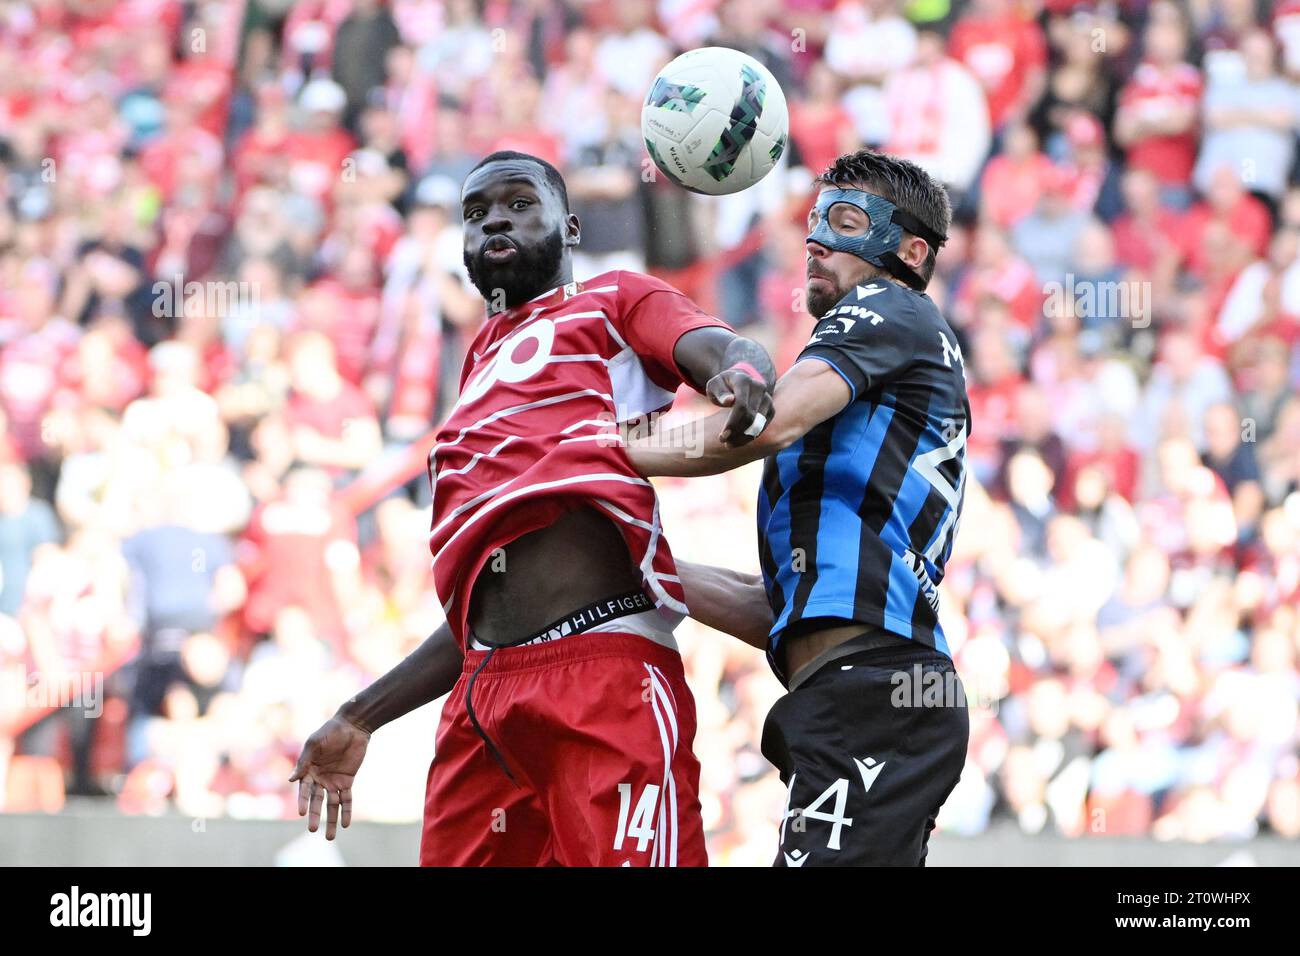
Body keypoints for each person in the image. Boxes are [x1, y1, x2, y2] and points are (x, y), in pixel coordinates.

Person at [290, 151, 776, 867]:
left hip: (605, 673)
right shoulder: (477, 367)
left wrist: (739, 374)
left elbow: (720, 347)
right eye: (477, 211)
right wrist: (360, 716)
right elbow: (474, 613)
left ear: (570, 227)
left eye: (520, 202)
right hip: (484, 698)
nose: (495, 218)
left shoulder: (612, 300)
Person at [626, 149, 971, 866]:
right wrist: (639, 567)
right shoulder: (881, 371)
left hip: (872, 697)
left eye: (847, 222)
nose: (817, 240)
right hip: (867, 694)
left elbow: (759, 427)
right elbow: (785, 607)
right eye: (815, 221)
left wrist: (590, 452)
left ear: (911, 251)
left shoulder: (889, 306)